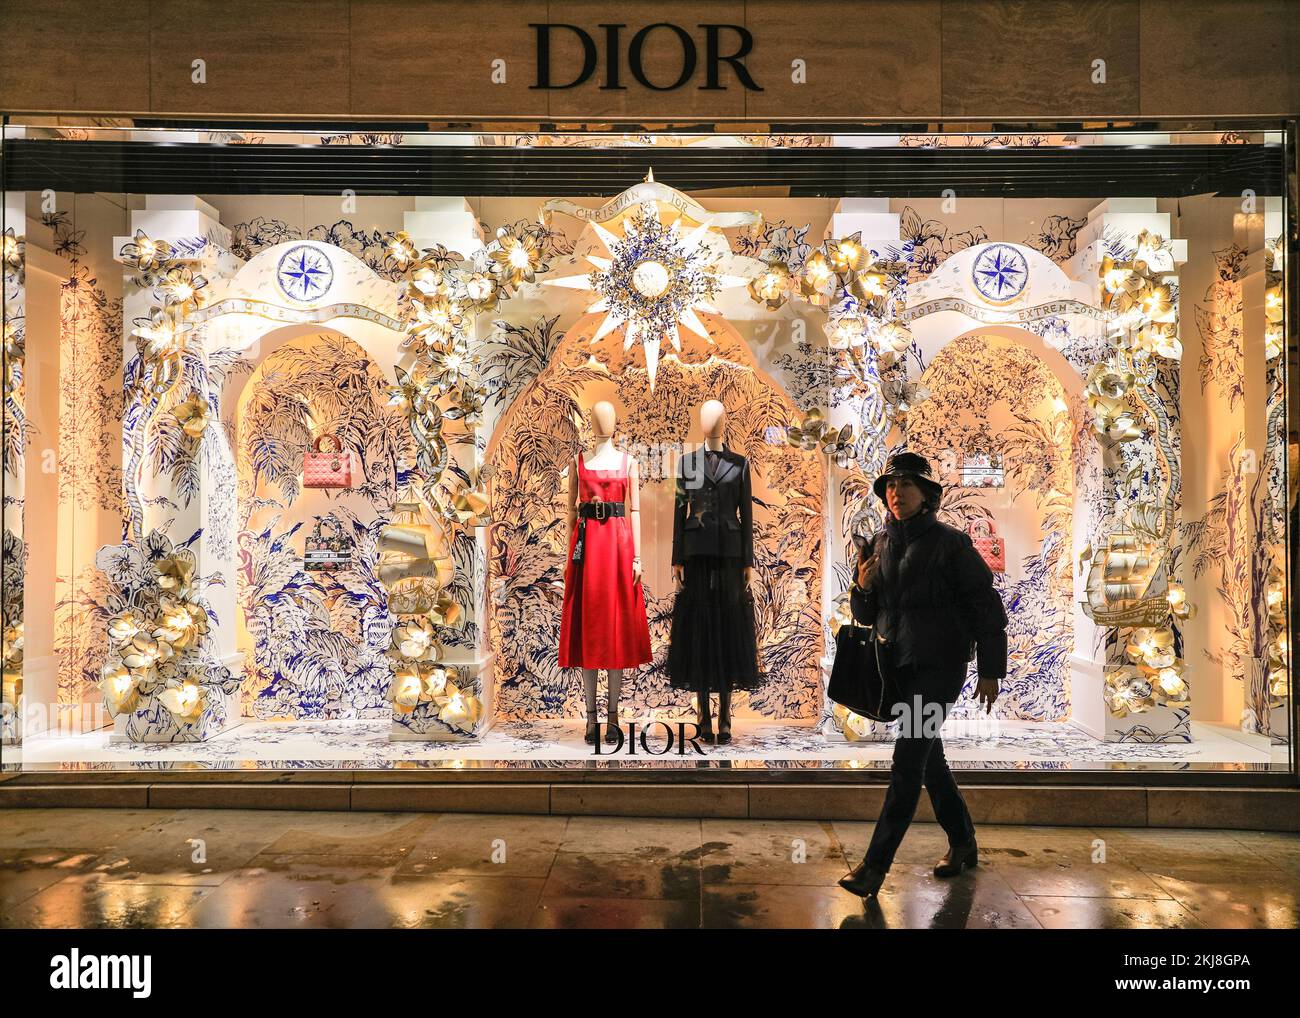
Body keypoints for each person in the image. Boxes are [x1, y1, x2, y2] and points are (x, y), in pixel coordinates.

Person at [837, 452, 1008, 899]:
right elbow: (865, 614)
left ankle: (874, 868)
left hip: (939, 666)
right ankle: (963, 841)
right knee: (930, 762)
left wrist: (991, 668)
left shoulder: (950, 544)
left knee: (908, 761)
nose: (896, 494)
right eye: (890, 487)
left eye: (906, 485)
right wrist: (862, 585)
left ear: (926, 494)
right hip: (896, 667)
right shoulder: (877, 544)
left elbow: (984, 606)